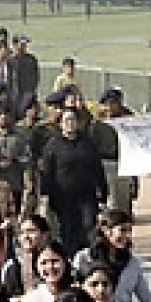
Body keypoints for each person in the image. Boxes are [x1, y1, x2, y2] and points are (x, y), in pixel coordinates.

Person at [72, 209, 151, 302]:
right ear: (106, 231)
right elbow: (73, 294)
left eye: (129, 231)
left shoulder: (133, 263)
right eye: (122, 230)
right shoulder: (84, 258)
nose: (127, 236)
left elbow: (147, 301)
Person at [40, 108, 106, 252]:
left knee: (89, 226)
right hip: (63, 198)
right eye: (66, 120)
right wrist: (45, 195)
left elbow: (97, 168)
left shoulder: (88, 144)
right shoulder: (53, 146)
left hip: (87, 196)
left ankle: (89, 256)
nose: (70, 123)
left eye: (73, 120)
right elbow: (47, 172)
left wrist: (103, 193)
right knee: (68, 230)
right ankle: (70, 258)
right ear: (60, 124)